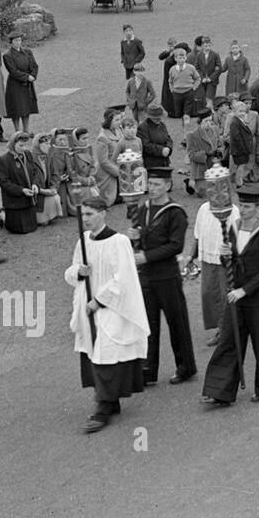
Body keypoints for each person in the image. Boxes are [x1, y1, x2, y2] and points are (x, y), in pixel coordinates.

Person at [65, 193, 150, 433]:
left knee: (106, 353)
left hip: (110, 306)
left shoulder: (119, 241)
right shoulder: (83, 240)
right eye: (83, 215)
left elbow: (122, 278)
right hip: (87, 306)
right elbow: (71, 271)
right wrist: (78, 272)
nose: (86, 219)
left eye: (90, 214)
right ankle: (109, 401)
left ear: (104, 213)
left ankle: (102, 407)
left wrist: (99, 301)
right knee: (93, 352)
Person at [201, 183, 259, 407]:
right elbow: (231, 264)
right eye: (241, 205)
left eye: (247, 206)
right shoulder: (233, 227)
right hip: (235, 298)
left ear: (257, 207)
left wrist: (244, 290)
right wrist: (226, 256)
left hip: (256, 299)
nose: (243, 210)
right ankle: (220, 390)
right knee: (228, 341)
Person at [129, 167, 196, 386]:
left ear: (168, 185)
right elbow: (140, 235)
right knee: (148, 324)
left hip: (167, 275)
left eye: (157, 185)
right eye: (150, 184)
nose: (152, 188)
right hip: (146, 277)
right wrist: (134, 238)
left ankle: (185, 367)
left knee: (177, 323)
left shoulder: (175, 212)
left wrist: (147, 257)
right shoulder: (144, 208)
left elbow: (176, 246)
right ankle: (148, 370)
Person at [190, 187, 240, 348]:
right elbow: (197, 234)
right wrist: (191, 256)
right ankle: (220, 327)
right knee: (208, 294)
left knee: (224, 294)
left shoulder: (233, 211)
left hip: (224, 259)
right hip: (207, 258)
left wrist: (232, 254)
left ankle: (226, 331)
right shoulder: (204, 209)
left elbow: (237, 236)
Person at [0, 132, 40, 235]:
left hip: (29, 200)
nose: (24, 148)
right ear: (13, 144)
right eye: (21, 145)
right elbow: (4, 182)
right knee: (18, 229)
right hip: (15, 202)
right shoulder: (3, 160)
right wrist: (21, 190)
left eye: (25, 145)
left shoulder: (28, 154)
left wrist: (35, 184)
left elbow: (35, 171)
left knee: (32, 226)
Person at [2, 33, 38, 136]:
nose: (18, 43)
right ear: (11, 42)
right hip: (15, 85)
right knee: (17, 108)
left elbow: (34, 65)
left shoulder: (27, 52)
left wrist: (33, 76)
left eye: (19, 40)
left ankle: (26, 130)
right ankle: (18, 131)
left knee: (26, 107)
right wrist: (27, 77)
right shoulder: (7, 56)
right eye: (15, 41)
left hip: (27, 84)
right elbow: (13, 71)